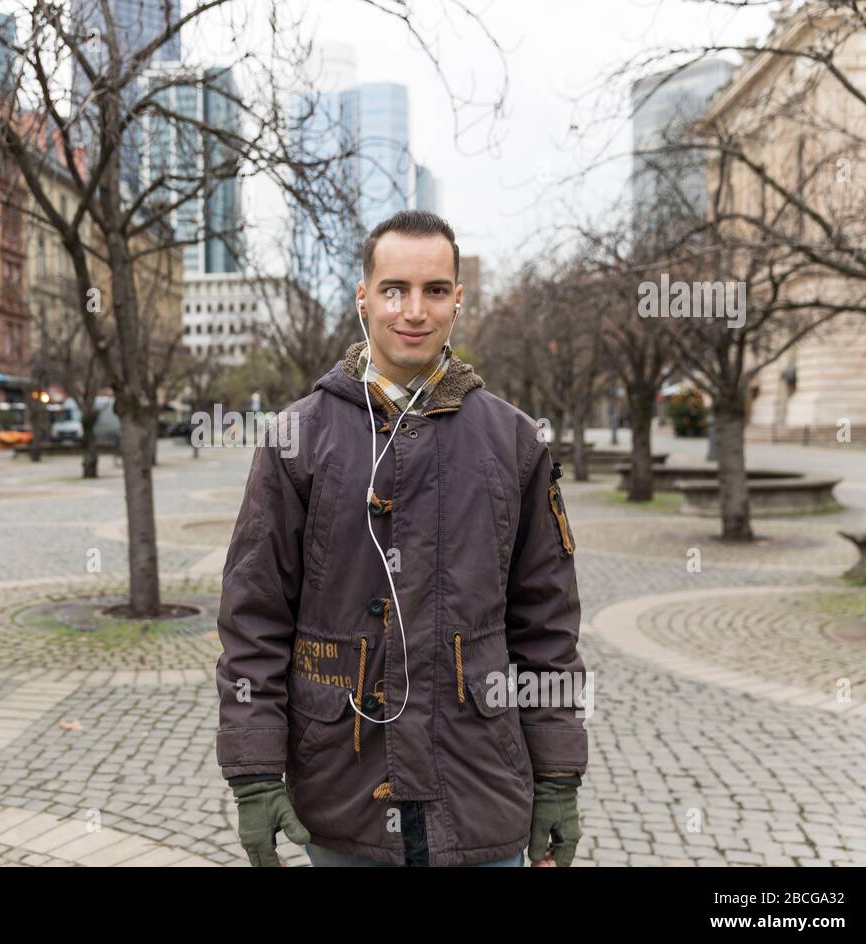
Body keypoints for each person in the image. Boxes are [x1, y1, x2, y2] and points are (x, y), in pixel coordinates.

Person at [215, 210, 588, 867]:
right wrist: (253, 772)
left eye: (435, 290)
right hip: (342, 788)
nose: (414, 310)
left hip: (480, 788)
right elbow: (255, 616)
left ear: (457, 300)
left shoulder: (515, 441)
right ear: (363, 297)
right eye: (394, 289)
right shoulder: (295, 439)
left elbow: (547, 625)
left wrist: (557, 777)